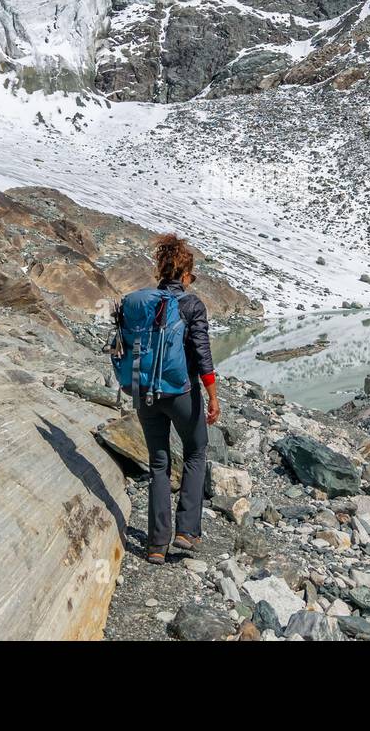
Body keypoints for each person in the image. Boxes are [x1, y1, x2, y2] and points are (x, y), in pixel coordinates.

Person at [138, 234, 220, 565]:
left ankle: (156, 545)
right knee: (196, 452)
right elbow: (202, 353)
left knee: (158, 464)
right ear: (185, 274)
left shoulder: (142, 302)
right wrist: (213, 396)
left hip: (146, 394)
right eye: (192, 275)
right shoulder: (191, 304)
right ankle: (186, 531)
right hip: (181, 392)